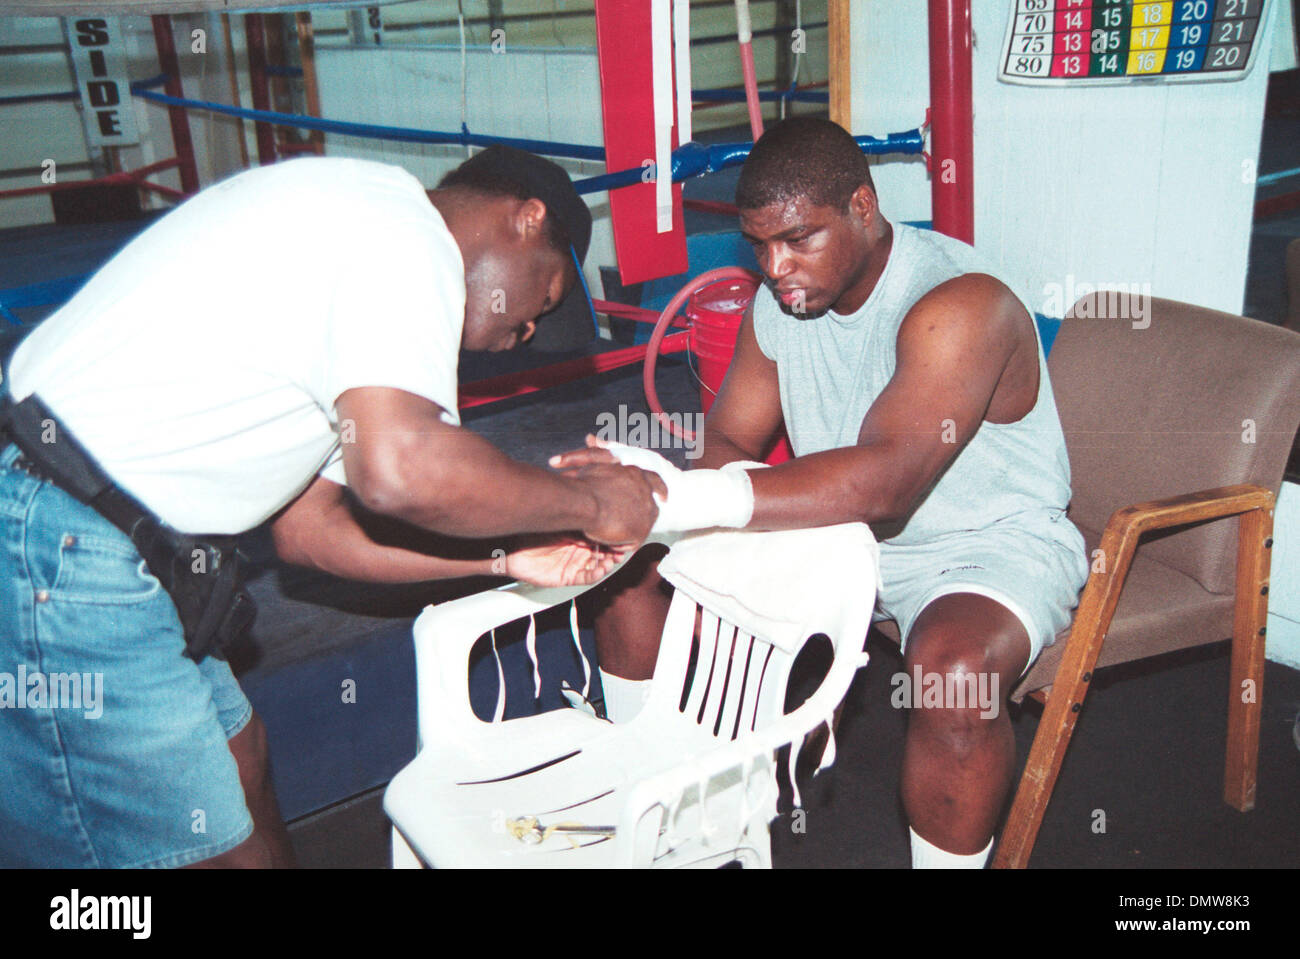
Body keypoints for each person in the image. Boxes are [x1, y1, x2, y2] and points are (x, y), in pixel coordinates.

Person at [0, 146, 664, 868]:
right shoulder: (400, 229)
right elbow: (402, 470)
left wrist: (505, 554)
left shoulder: (359, 271)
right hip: (66, 551)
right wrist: (594, 500)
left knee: (240, 757)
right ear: (527, 219)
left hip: (121, 554)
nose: (532, 326)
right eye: (549, 295)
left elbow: (313, 534)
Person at [555, 117, 1088, 869]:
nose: (776, 266)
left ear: (863, 209)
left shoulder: (959, 304)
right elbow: (731, 443)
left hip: (987, 544)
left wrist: (676, 502)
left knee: (954, 674)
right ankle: (661, 816)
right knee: (634, 568)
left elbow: (888, 480)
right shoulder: (782, 304)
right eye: (760, 244)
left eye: (800, 238)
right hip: (845, 534)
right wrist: (687, 547)